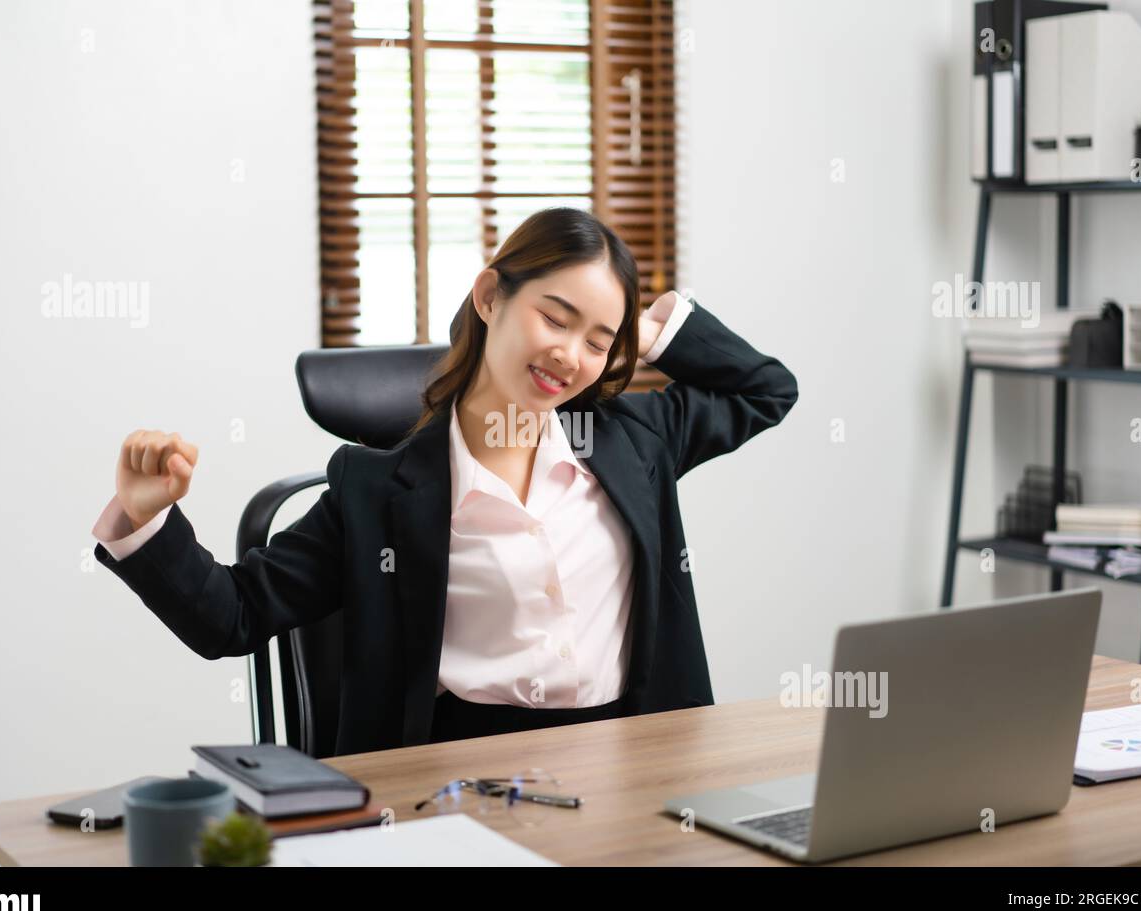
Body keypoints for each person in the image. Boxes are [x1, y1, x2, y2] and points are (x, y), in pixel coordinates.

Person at [93, 207, 798, 754]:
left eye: (596, 339)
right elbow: (233, 614)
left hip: (636, 759)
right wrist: (144, 517)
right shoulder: (378, 490)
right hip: (464, 774)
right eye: (555, 316)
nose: (570, 354)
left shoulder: (632, 441)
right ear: (490, 296)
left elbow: (766, 391)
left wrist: (650, 329)